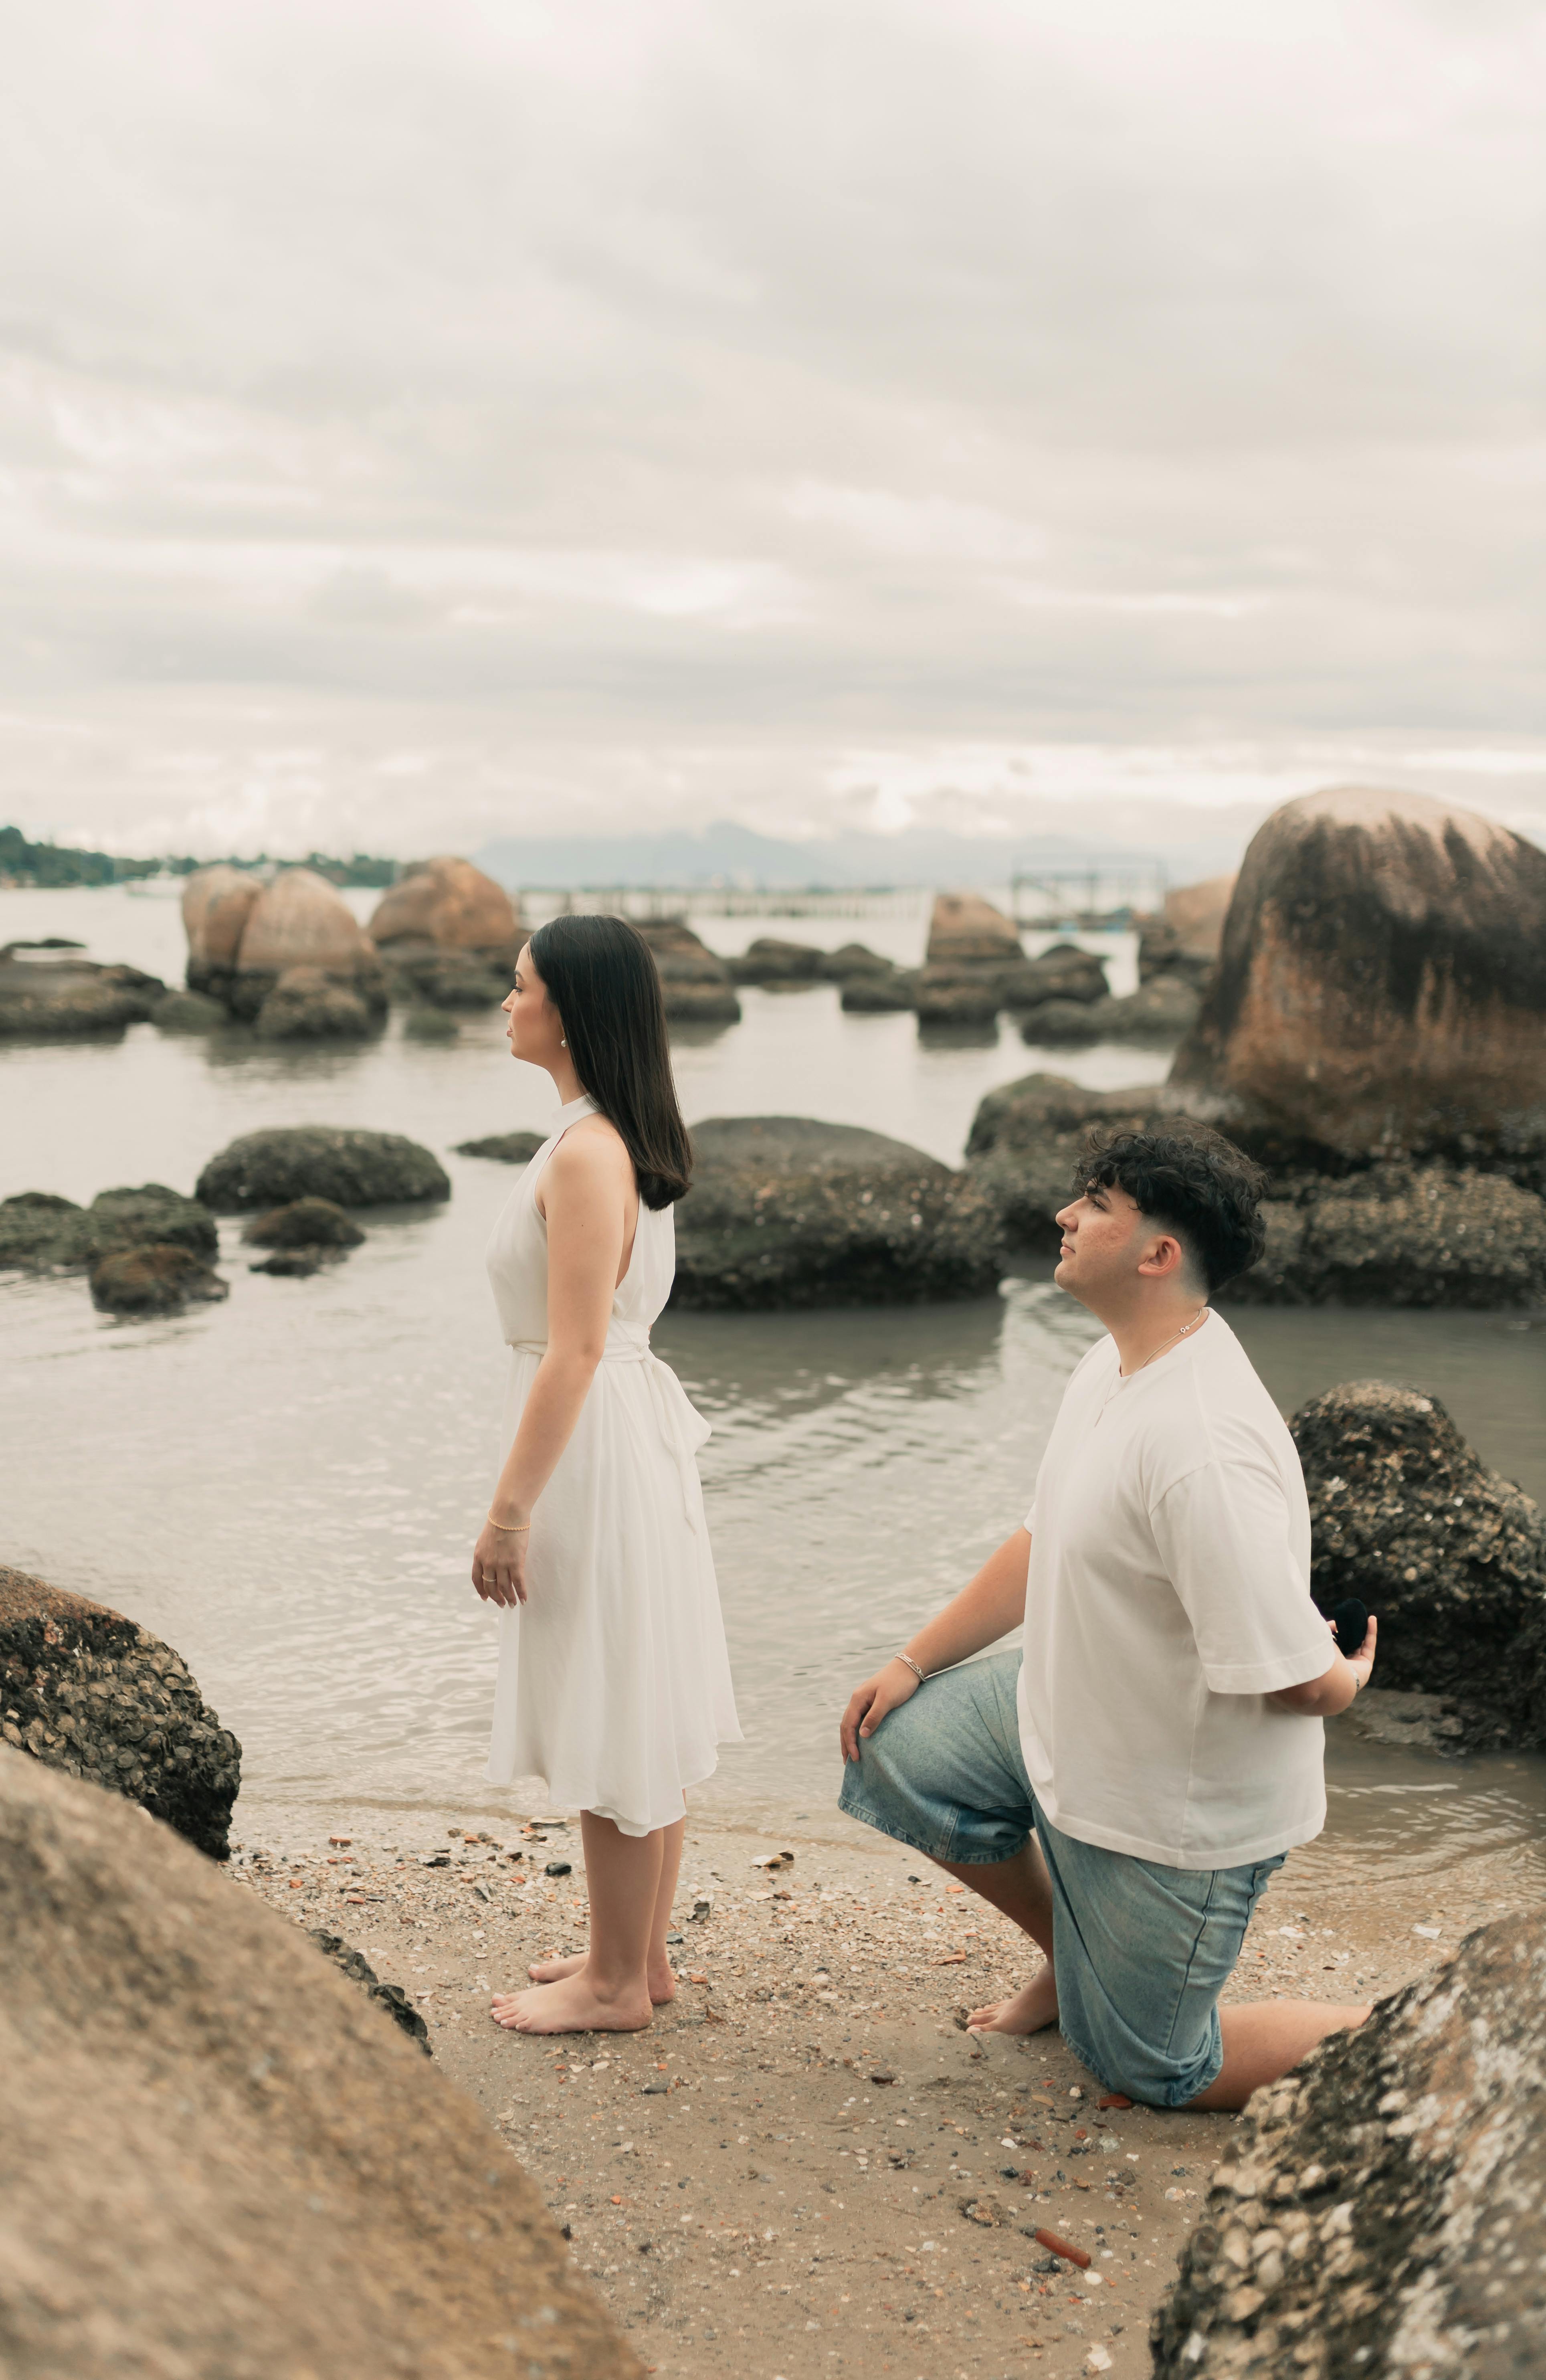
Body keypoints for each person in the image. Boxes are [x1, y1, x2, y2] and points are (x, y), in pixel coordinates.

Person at [838, 1126, 1377, 2110]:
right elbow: (1043, 1535)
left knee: (1154, 2071)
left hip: (1174, 1809)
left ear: (1157, 1253)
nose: (1065, 1214)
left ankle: (1433, 2024)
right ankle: (1074, 1955)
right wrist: (912, 1660)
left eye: (1095, 1204)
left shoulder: (1201, 1443)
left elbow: (1301, 1679)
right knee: (895, 1747)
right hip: (1073, 1722)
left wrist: (1351, 1675)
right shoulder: (1116, 1361)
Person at [475, 914, 741, 2035]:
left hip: (595, 1441)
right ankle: (636, 1956)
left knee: (611, 1698)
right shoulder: (605, 1136)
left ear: (572, 1010)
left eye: (521, 984)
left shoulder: (588, 1152)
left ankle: (616, 1985)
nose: (506, 1001)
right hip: (619, 1433)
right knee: (635, 1688)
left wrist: (508, 1512)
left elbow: (575, 1348)